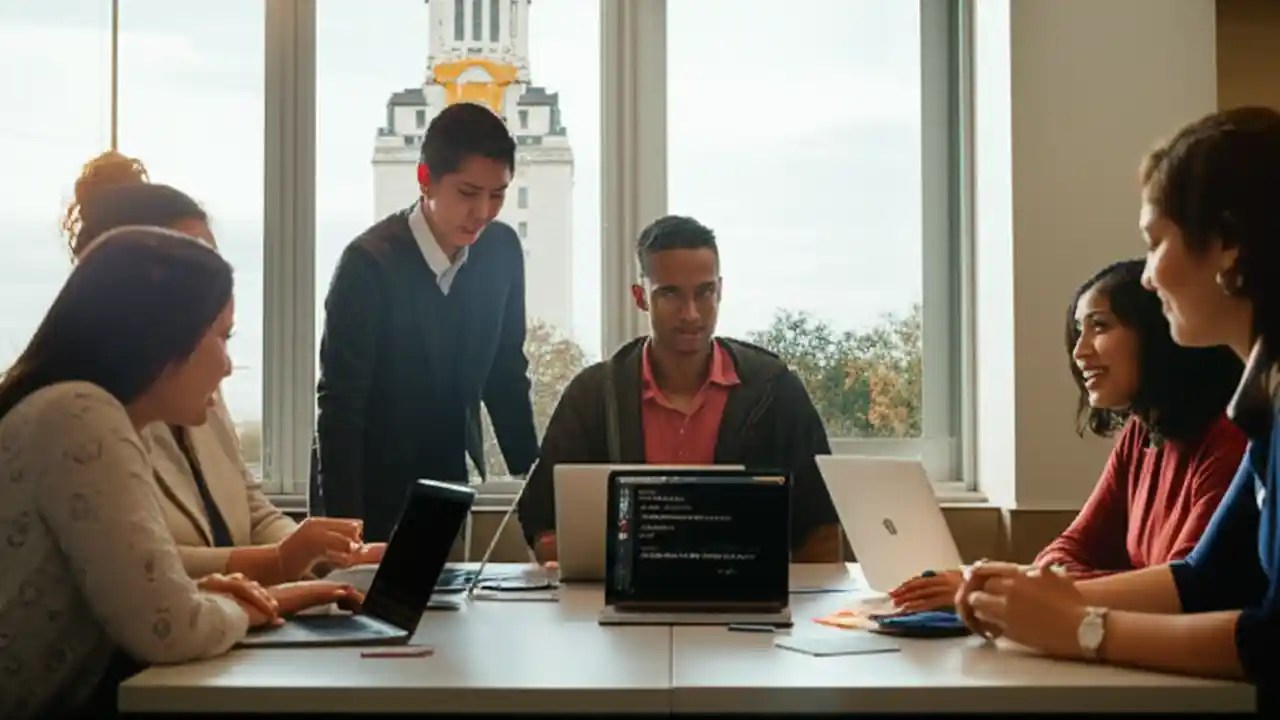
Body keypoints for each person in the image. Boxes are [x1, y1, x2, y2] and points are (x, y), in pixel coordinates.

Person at [956, 107, 1280, 702]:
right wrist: (1020, 596)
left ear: (1229, 244)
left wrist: (1082, 628)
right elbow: (1203, 579)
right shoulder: (1266, 405)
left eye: (1156, 243)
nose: (1150, 280)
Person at [0, 227, 360, 719]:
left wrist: (210, 595)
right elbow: (169, 629)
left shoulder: (78, 408)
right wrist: (254, 606)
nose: (229, 365)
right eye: (221, 336)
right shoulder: (81, 414)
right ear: (163, 337)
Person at [62, 150, 381, 583]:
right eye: (192, 262)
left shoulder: (199, 383)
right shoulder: (85, 418)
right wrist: (282, 563)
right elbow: (141, 568)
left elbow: (252, 509)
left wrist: (324, 559)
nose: (213, 278)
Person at [890, 259, 1245, 612]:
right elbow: (1065, 550)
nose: (1079, 351)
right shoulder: (1139, 435)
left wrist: (1010, 587)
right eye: (1079, 331)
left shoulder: (1231, 440)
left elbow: (1185, 590)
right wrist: (1025, 585)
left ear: (1157, 331)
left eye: (1100, 327)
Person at [516, 215, 843, 562]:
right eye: (670, 293)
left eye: (704, 293)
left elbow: (822, 527)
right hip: (615, 604)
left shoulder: (775, 391)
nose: (691, 314)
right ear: (641, 297)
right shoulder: (594, 395)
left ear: (720, 290)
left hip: (746, 605)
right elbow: (543, 524)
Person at [316, 102, 538, 541]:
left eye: (498, 194)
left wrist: (539, 489)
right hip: (368, 490)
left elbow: (505, 374)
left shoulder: (500, 251)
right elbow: (341, 408)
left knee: (452, 606)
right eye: (468, 193)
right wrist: (346, 533)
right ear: (425, 179)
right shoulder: (368, 264)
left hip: (449, 484)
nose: (483, 212)